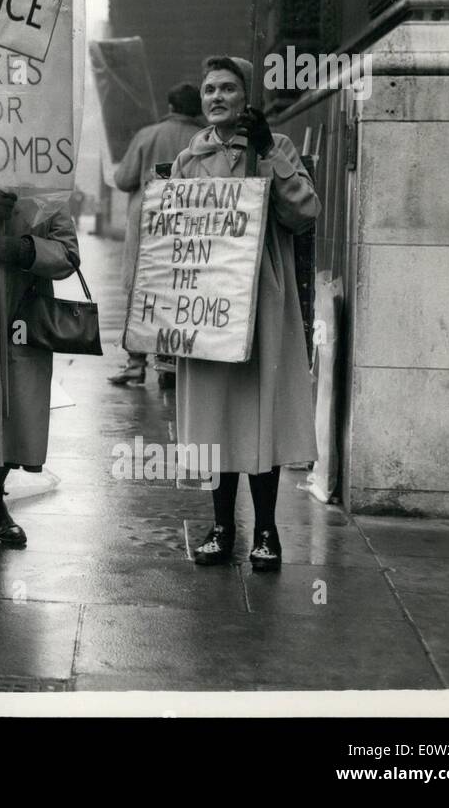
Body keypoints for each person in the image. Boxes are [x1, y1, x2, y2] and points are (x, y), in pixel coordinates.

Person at [176, 56, 319, 573]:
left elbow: (303, 213)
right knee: (215, 416)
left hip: (262, 301)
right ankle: (220, 526)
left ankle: (265, 529)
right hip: (209, 305)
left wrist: (264, 153)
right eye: (209, 89)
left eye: (228, 89)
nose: (216, 97)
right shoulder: (189, 159)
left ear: (246, 98)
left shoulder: (275, 148)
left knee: (261, 414)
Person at [0, 191, 80, 559]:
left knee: (19, 412)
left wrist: (26, 250)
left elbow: (68, 253)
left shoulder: (48, 186)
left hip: (27, 313)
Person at [107, 83, 203, 387]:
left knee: (141, 295)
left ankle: (135, 364)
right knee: (178, 295)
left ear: (171, 106)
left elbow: (123, 180)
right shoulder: (203, 139)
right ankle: (171, 366)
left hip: (147, 226)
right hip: (187, 230)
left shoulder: (147, 135)